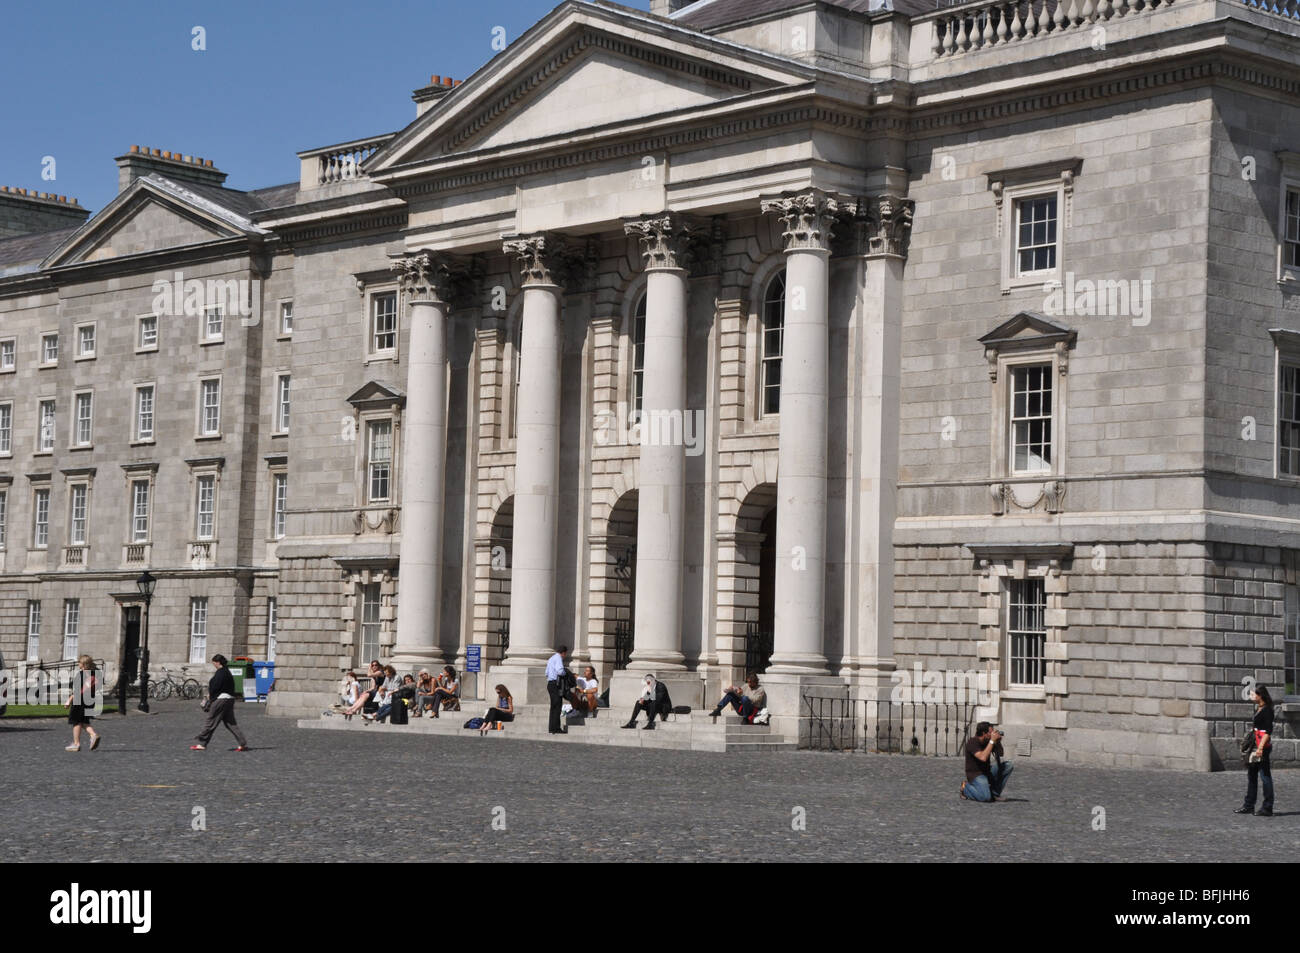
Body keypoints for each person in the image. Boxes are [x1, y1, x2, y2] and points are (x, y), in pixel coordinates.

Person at [191, 654, 249, 751]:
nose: (213, 665)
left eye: (214, 663)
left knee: (211, 721)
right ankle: (242, 743)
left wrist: (211, 696)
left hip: (221, 699)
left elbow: (215, 686)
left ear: (218, 662)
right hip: (229, 699)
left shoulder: (221, 673)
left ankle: (202, 742)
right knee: (231, 723)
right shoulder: (227, 672)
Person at [1235, 685, 1274, 817]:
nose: (1251, 697)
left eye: (1253, 694)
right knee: (1251, 776)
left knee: (1265, 776)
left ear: (1260, 695)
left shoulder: (1267, 710)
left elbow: (1268, 731)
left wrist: (1261, 748)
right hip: (1254, 746)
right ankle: (1249, 805)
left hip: (1262, 746)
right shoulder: (1259, 708)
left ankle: (1267, 807)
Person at [961, 722, 1011, 801]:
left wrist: (997, 742)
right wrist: (991, 741)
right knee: (985, 797)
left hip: (987, 771)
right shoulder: (972, 742)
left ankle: (994, 793)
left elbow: (1001, 754)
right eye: (990, 733)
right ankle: (965, 788)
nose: (992, 734)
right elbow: (983, 757)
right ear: (984, 733)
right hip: (976, 774)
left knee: (1008, 765)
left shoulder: (988, 741)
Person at [64, 655, 101, 752]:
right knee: (84, 721)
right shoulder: (95, 674)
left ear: (83, 664)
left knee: (76, 721)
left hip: (79, 700)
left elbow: (78, 691)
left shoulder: (81, 675)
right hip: (91, 700)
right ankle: (93, 735)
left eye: (79, 662)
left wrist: (69, 700)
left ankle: (76, 744)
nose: (78, 664)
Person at [545, 645, 570, 734]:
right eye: (565, 654)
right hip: (556, 684)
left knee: (553, 706)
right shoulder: (558, 658)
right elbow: (560, 671)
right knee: (557, 706)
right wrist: (565, 673)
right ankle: (556, 728)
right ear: (563, 653)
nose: (564, 656)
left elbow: (546, 673)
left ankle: (551, 727)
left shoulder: (551, 658)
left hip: (550, 684)